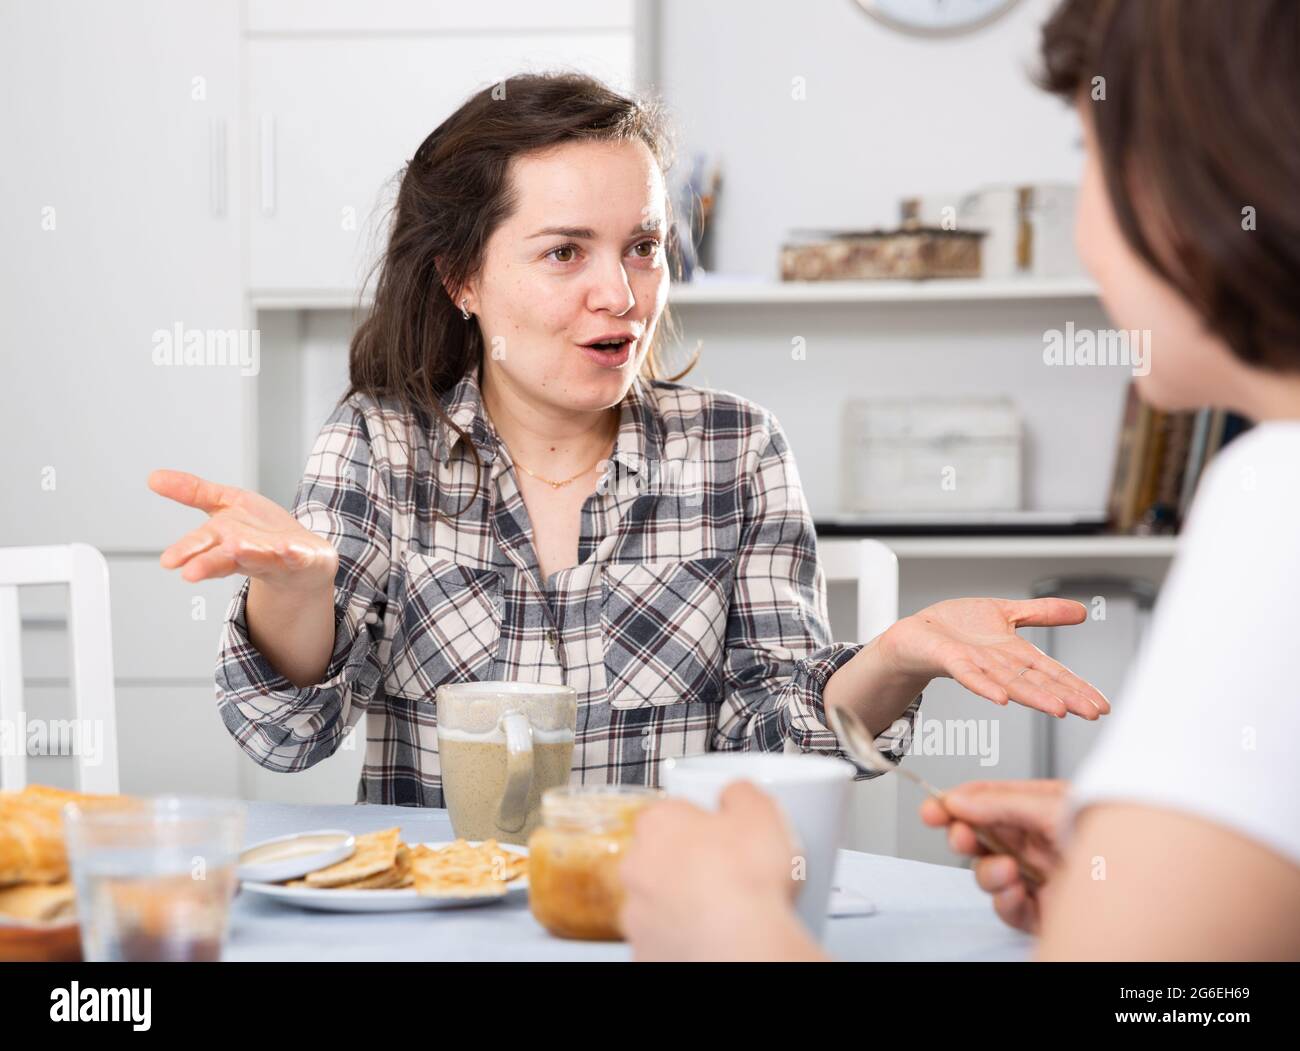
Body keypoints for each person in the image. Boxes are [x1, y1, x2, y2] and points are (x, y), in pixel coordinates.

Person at [148, 73, 1105, 808]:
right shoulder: (377, 446)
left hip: (665, 919)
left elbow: (784, 742)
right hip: (449, 928)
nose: (622, 293)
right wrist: (294, 587)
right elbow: (284, 738)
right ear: (462, 280)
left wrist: (899, 656)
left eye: (642, 246)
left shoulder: (738, 448)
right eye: (566, 251)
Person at [620, 0, 1300, 961]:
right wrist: (1161, 874)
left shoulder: (1274, 500)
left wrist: (732, 936)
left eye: (1086, 152)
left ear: (1193, 179)